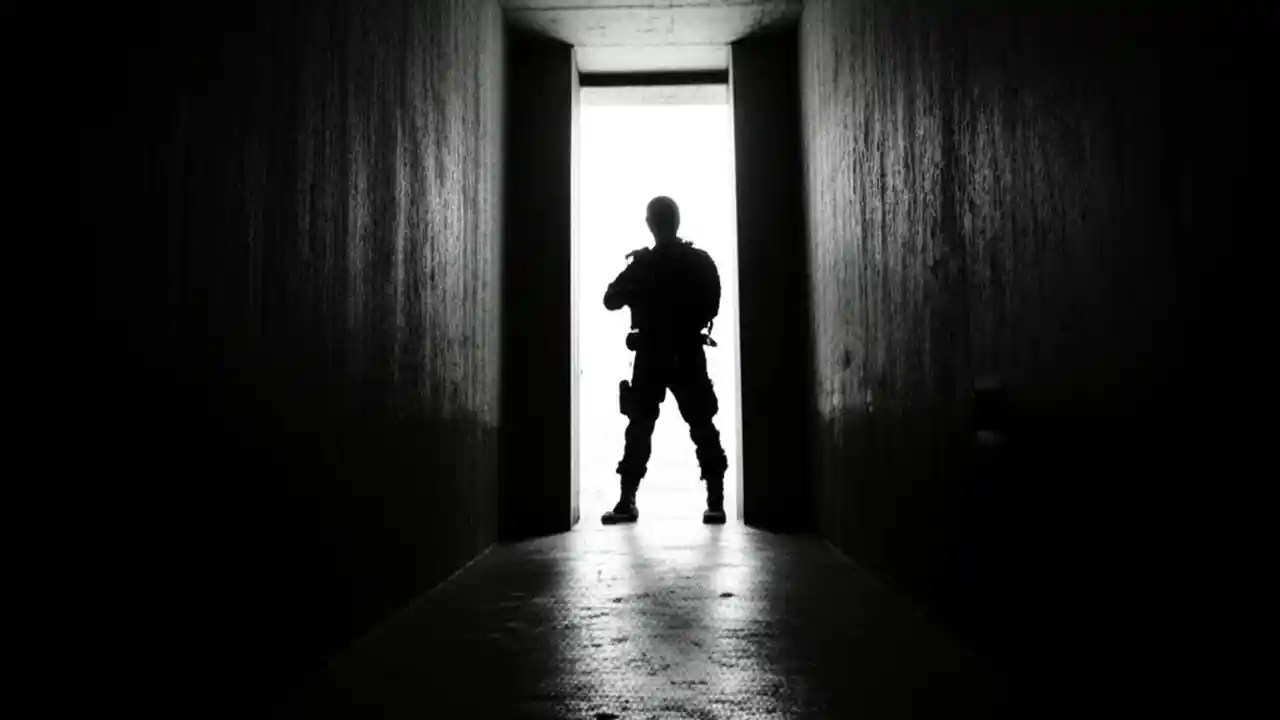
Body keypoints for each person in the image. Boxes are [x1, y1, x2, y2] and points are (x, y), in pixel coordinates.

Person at [601, 196, 728, 525]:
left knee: (640, 427)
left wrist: (640, 290)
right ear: (676, 221)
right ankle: (716, 500)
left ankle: (627, 500)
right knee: (701, 424)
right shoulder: (696, 261)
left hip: (652, 355)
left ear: (650, 224)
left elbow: (611, 298)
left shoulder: (644, 265)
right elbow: (711, 303)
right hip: (685, 351)